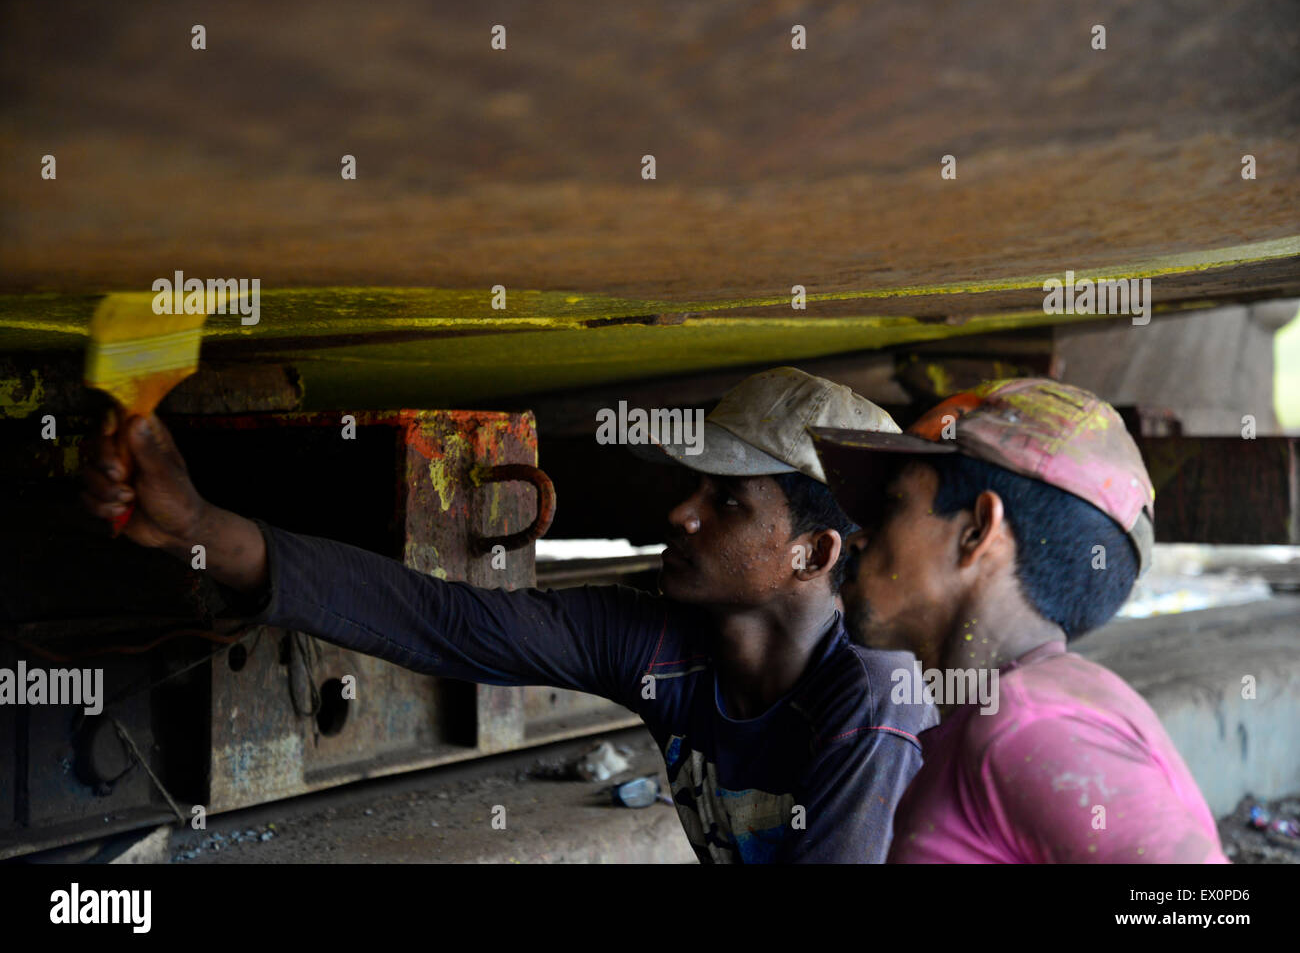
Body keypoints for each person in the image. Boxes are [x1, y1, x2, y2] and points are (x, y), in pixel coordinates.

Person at [82, 366, 935, 863]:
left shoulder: (872, 700)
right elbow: (437, 619)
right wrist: (195, 527)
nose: (682, 514)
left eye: (727, 503)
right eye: (693, 487)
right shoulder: (667, 643)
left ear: (814, 554)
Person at [810, 377, 1229, 863]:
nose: (860, 540)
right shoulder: (1018, 710)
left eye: (894, 506)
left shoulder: (1029, 727)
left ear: (977, 531)